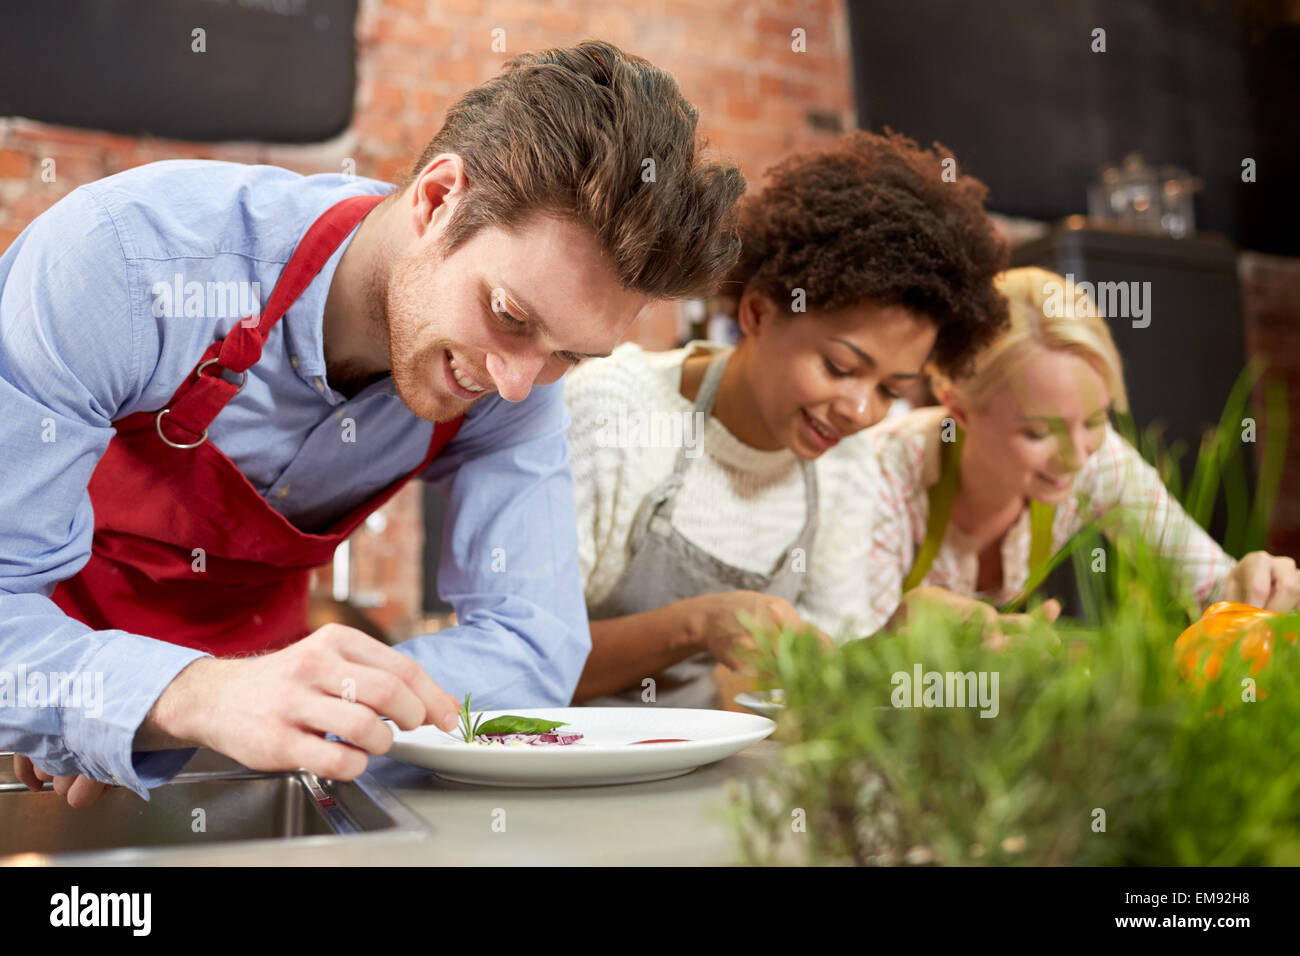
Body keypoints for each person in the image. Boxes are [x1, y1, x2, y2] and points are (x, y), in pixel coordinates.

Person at [0, 41, 745, 807]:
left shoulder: (515, 376)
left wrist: (334, 698)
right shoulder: (125, 261)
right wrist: (161, 698)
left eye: (571, 356)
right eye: (510, 316)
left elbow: (534, 645)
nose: (519, 386)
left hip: (267, 760)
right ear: (437, 200)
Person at [564, 130, 1010, 707]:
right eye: (839, 365)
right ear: (757, 311)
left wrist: (896, 638)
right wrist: (694, 625)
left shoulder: (844, 460)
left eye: (890, 390)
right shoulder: (614, 412)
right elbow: (518, 659)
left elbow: (815, 683)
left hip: (716, 779)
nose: (858, 411)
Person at [864, 266, 1300, 634]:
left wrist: (1251, 587)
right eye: (1038, 433)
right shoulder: (883, 470)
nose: (1075, 456)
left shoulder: (1099, 458)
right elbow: (841, 653)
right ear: (959, 410)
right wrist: (899, 634)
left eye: (1095, 420)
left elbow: (1207, 585)